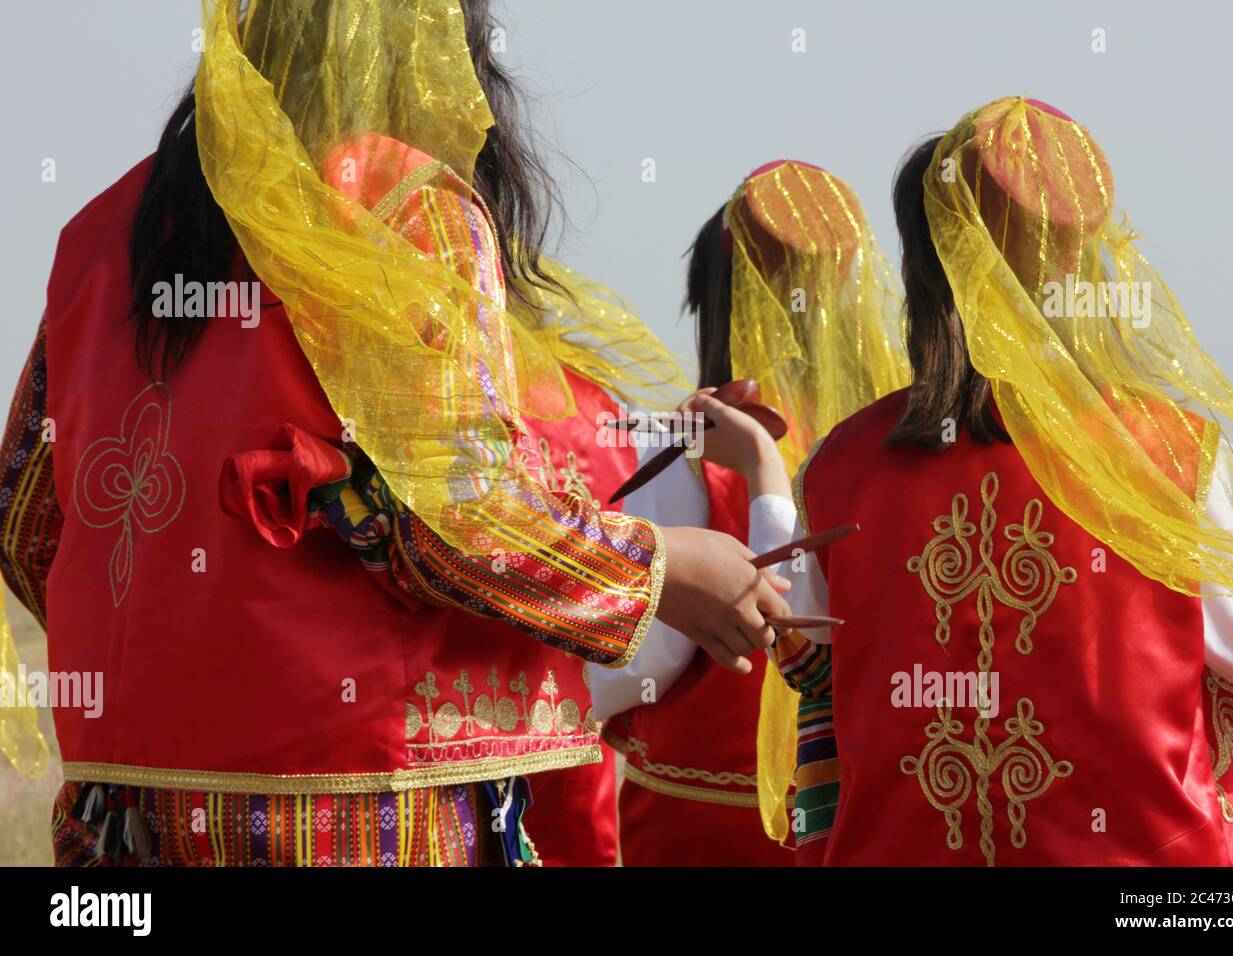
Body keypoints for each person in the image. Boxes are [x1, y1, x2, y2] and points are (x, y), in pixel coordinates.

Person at [0, 0, 790, 867]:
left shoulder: (101, 231)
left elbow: (26, 519)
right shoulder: (404, 204)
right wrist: (667, 567)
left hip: (119, 816)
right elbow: (462, 514)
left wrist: (174, 645)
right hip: (359, 808)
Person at [704, 97, 1233, 865]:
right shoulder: (1175, 456)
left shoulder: (841, 466)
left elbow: (808, 663)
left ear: (922, 269)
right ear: (1085, 262)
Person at [589, 160, 907, 864]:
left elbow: (635, 657)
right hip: (855, 805)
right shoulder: (889, 445)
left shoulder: (694, 446)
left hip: (702, 817)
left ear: (717, 298)